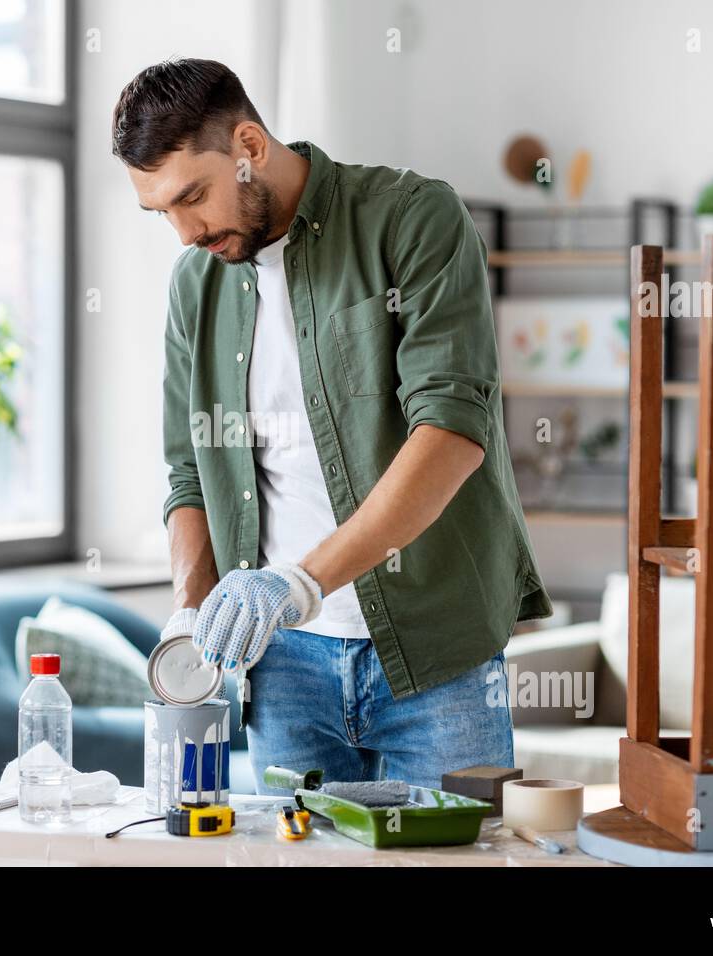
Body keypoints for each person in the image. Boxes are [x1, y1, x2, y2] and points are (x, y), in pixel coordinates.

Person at [111, 57, 553, 792]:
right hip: (281, 667)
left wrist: (298, 582)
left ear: (249, 145)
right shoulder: (196, 283)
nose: (184, 232)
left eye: (193, 196)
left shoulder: (413, 218)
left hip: (435, 648)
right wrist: (191, 612)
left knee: (457, 857)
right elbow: (191, 467)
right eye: (162, 211)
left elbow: (449, 434)